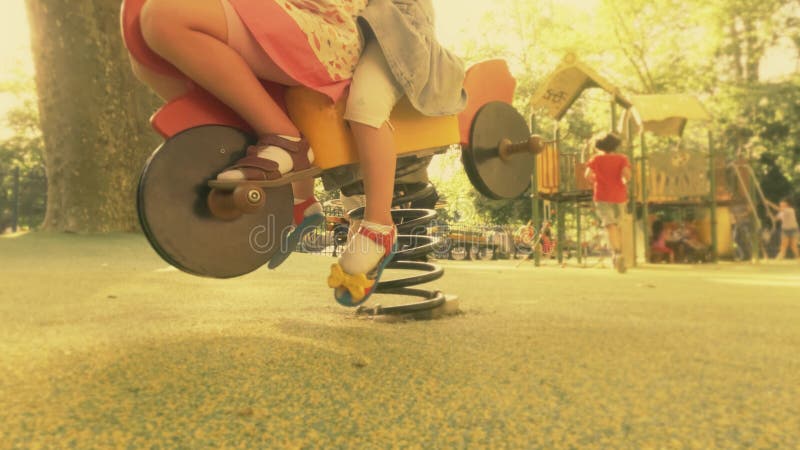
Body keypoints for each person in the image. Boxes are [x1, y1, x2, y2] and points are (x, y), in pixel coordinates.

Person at [129, 0, 369, 267]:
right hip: (293, 13)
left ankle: (284, 139)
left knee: (165, 18)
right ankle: (297, 193)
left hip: (327, 30)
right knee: (142, 28)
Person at [327, 0, 467, 306]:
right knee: (323, 116)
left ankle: (378, 223)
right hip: (342, 21)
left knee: (365, 106)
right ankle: (313, 204)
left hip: (394, 24)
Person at [584, 132, 631, 273]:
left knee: (610, 225)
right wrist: (622, 182)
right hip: (619, 196)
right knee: (618, 225)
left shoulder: (596, 159)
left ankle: (616, 253)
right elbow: (627, 175)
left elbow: (587, 175)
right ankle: (620, 253)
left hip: (602, 195)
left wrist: (597, 181)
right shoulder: (622, 159)